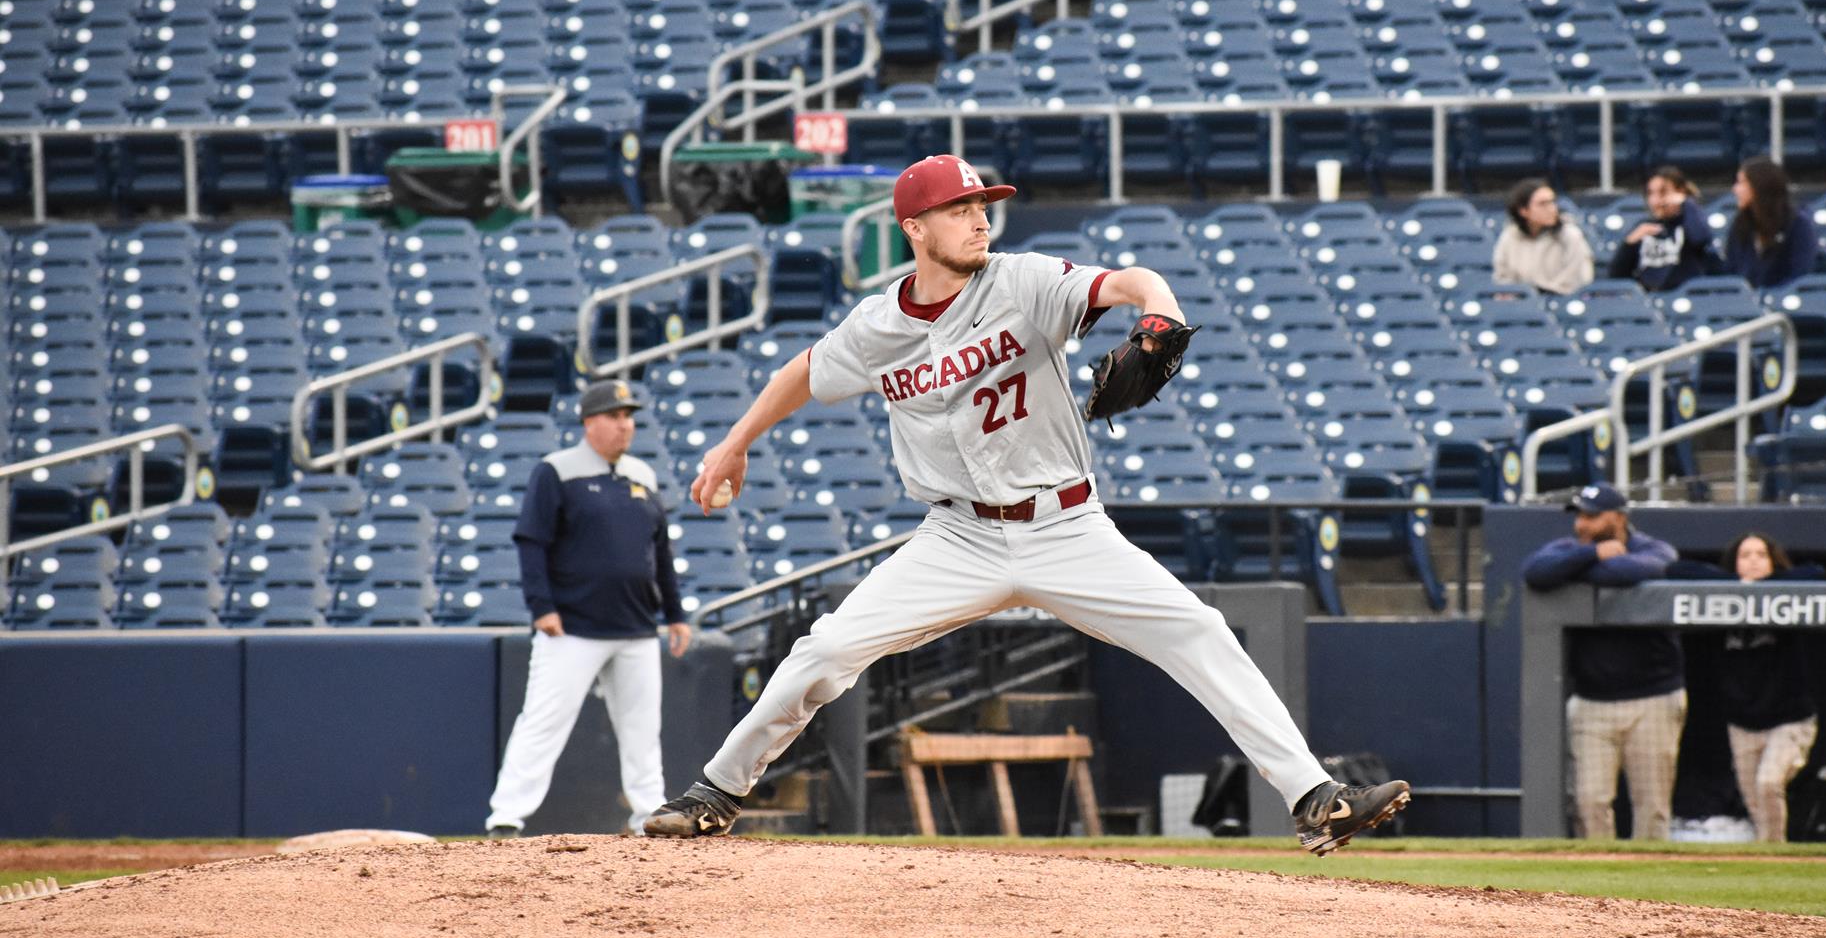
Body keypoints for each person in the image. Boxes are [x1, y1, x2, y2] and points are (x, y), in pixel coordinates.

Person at [643, 154, 1411, 853]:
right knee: (829, 650)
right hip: (957, 538)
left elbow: (1128, 281)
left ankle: (1315, 796)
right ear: (914, 227)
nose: (980, 218)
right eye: (959, 208)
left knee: (1198, 629)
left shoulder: (1024, 280)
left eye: (984, 205)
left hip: (1066, 526)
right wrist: (735, 441)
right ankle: (717, 791)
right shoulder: (878, 326)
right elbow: (804, 371)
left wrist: (1161, 308)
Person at [486, 379, 693, 837]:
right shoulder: (555, 470)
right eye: (615, 416)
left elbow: (659, 551)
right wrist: (541, 606)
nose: (625, 425)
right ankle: (506, 816)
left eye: (629, 416)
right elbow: (531, 542)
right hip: (573, 627)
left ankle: (647, 816)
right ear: (589, 422)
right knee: (543, 721)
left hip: (637, 625)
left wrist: (674, 613)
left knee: (642, 730)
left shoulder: (643, 475)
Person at [1521, 483, 1683, 840]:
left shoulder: (1652, 547)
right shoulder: (1575, 549)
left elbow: (1638, 570)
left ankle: (1653, 893)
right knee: (1589, 803)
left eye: (1592, 516)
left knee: (1652, 806)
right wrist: (1593, 555)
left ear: (1620, 518)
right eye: (1580, 515)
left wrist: (1579, 570)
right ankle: (1599, 893)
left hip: (1653, 697)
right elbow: (1535, 571)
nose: (1583, 524)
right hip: (1593, 700)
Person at [1670, 534, 1824, 842]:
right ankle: (1768, 858)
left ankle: (1776, 856)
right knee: (1754, 799)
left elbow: (1816, 573)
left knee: (1769, 783)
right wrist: (1734, 585)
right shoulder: (1723, 593)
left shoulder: (1789, 592)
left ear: (1772, 561)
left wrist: (1764, 586)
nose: (1753, 560)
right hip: (1741, 721)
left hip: (1789, 718)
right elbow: (1676, 570)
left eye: (1760, 554)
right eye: (1745, 555)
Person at [1608, 167, 1715, 293]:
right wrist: (1629, 243)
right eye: (1650, 193)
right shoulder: (1643, 228)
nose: (1655, 200)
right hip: (1647, 302)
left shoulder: (1690, 223)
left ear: (1679, 192)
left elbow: (1701, 238)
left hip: (1685, 296)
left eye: (1663, 193)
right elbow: (1616, 276)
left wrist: (1687, 203)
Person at [1724, 156, 1819, 289]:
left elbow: (1800, 273)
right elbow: (1732, 271)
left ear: (1760, 186)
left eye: (1742, 182)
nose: (1735, 189)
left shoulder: (1798, 224)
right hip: (1745, 306)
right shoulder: (1740, 224)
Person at [1492, 177, 1595, 295]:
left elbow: (1579, 278)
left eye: (1552, 202)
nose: (1552, 209)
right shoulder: (1509, 236)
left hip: (1563, 301)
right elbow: (1503, 277)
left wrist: (1545, 294)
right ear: (1523, 210)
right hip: (1521, 304)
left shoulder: (1571, 235)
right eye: (1543, 204)